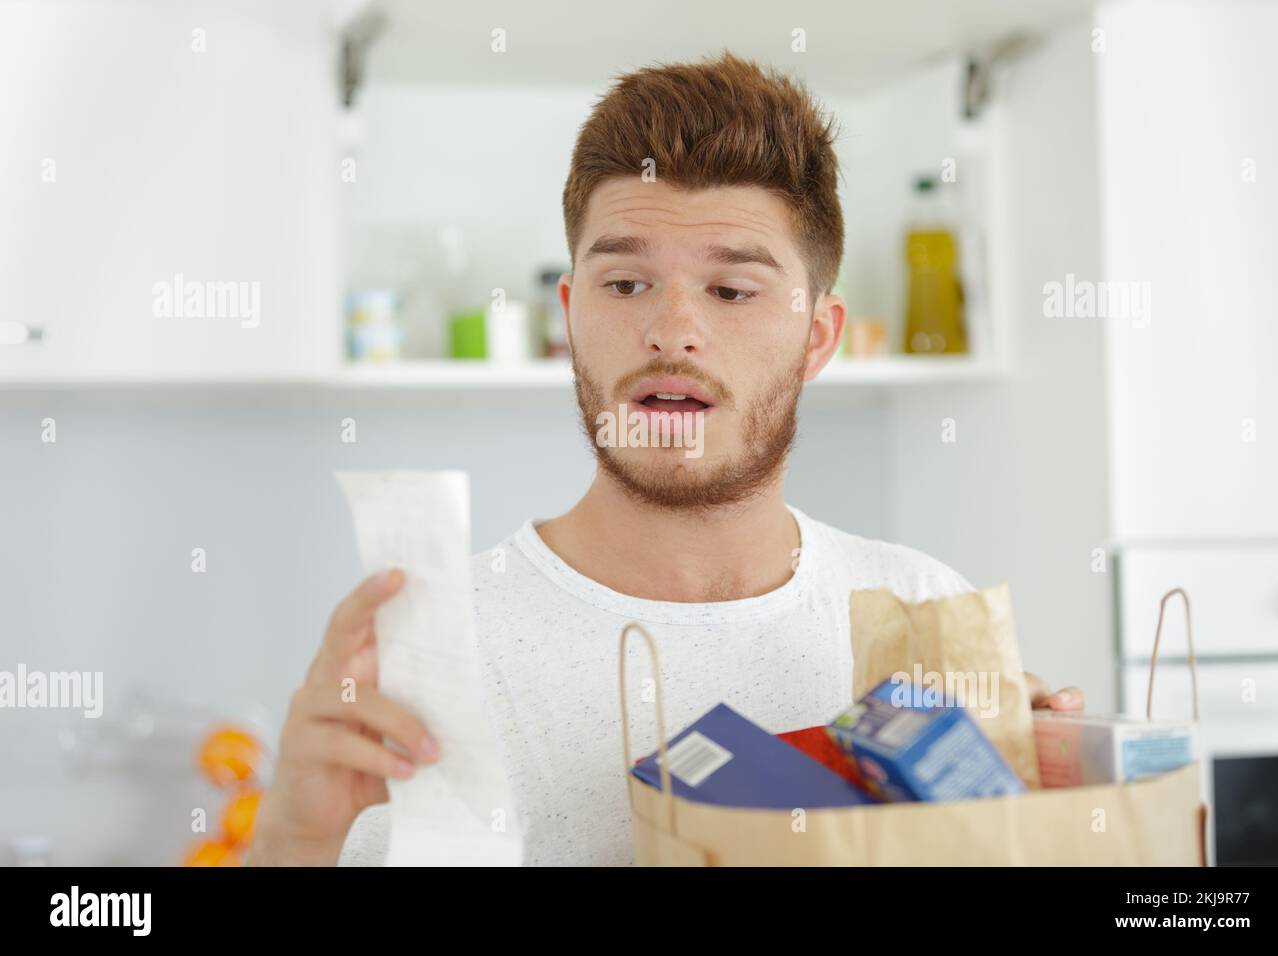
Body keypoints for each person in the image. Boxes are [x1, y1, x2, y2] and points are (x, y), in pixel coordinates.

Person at [248, 52, 1083, 867]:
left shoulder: (921, 613)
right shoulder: (432, 650)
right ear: (571, 317)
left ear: (817, 338)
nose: (672, 329)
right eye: (625, 284)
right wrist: (293, 842)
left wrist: (1038, 807)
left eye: (731, 291)